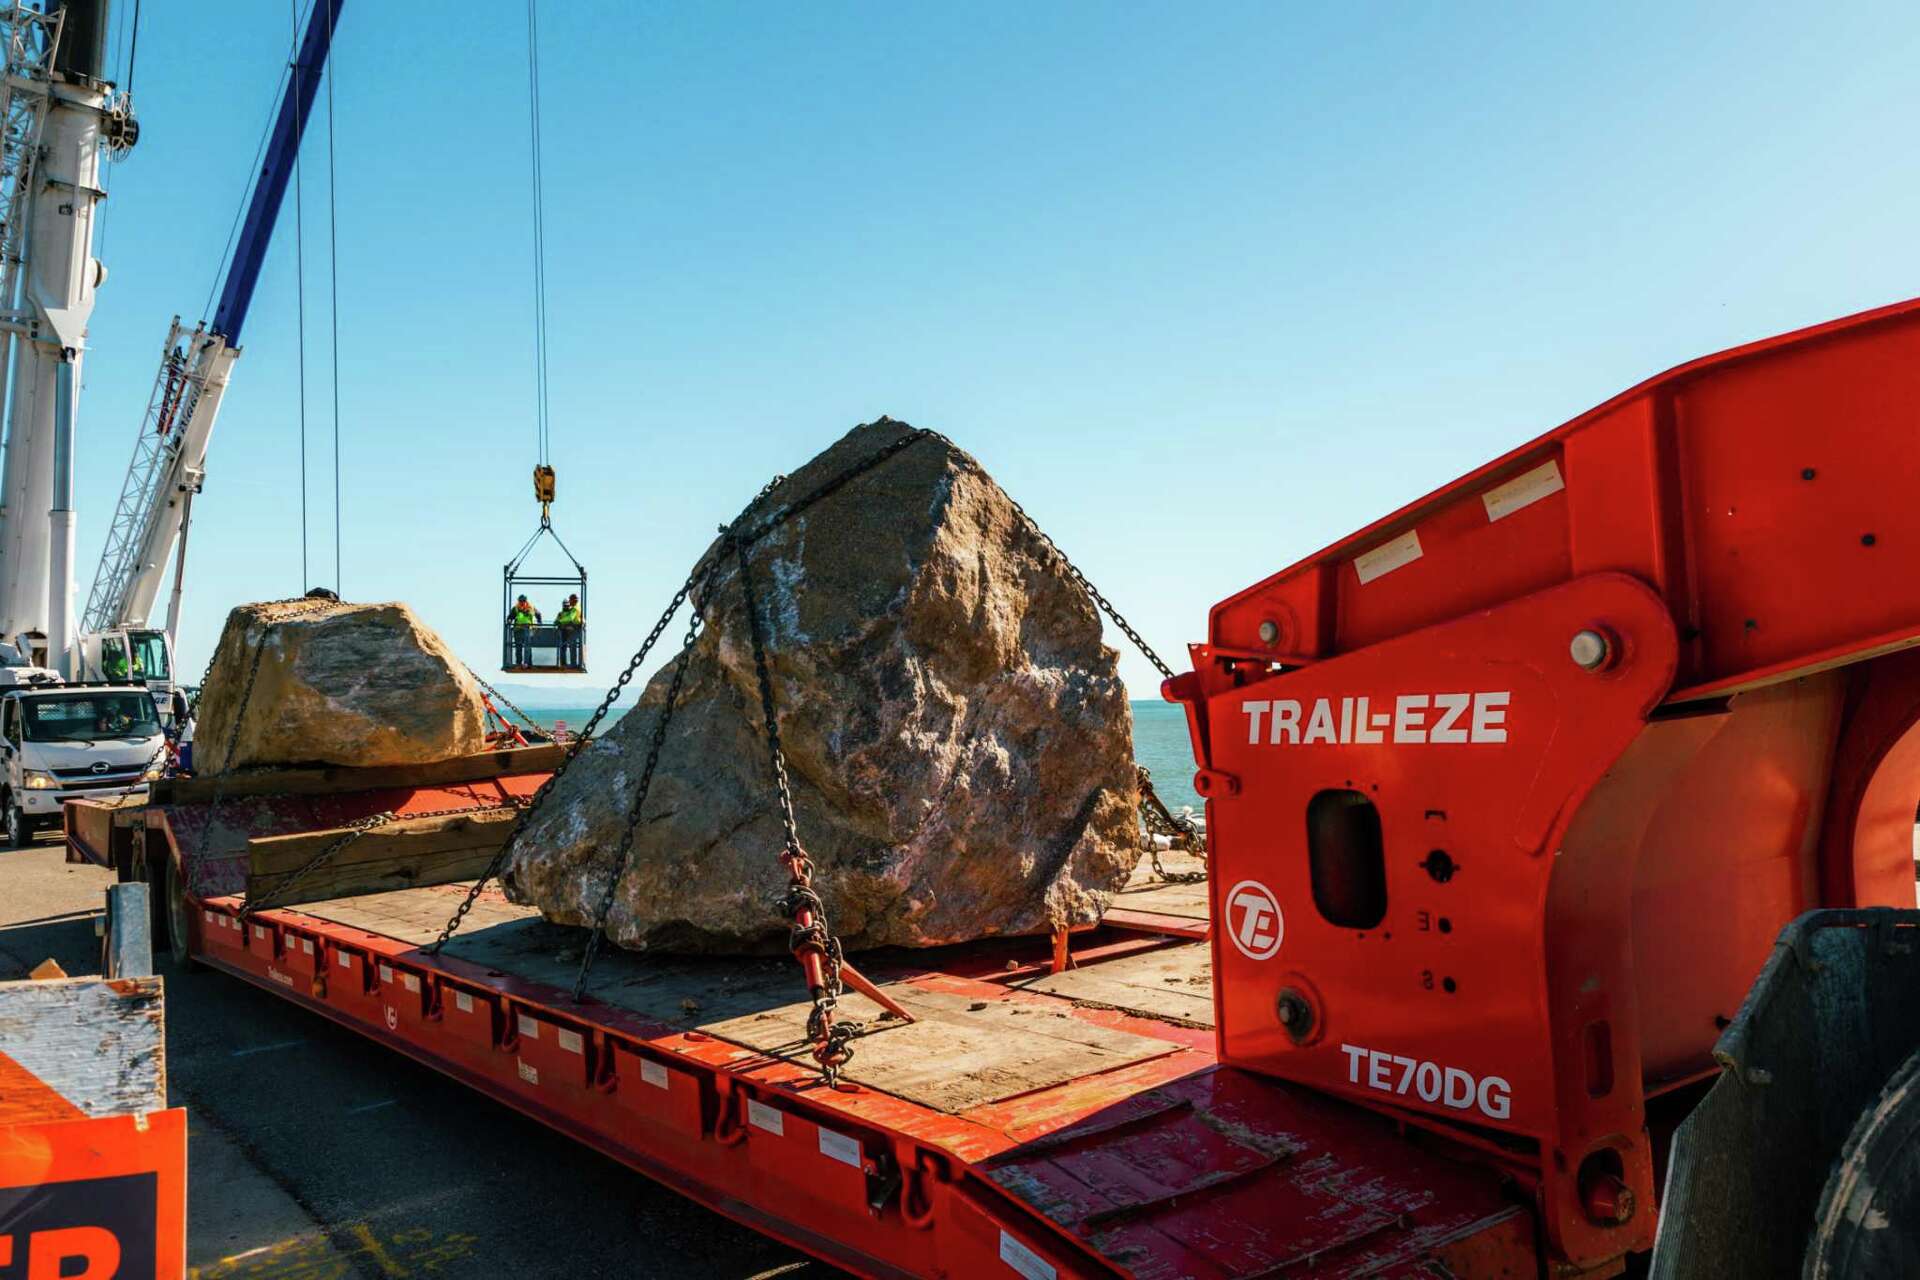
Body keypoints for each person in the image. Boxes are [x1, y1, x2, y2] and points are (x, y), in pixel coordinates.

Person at [507, 594, 540, 667]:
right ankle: (519, 663)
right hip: (518, 630)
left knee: (527, 647)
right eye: (520, 601)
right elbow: (510, 617)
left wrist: (539, 622)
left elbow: (538, 614)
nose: (522, 602)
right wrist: (509, 620)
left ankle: (528, 663)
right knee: (518, 647)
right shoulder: (515, 608)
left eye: (523, 601)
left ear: (526, 601)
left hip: (527, 629)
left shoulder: (531, 607)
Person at [555, 594, 584, 669]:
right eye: (565, 605)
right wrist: (558, 622)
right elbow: (557, 621)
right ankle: (571, 663)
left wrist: (560, 621)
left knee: (573, 645)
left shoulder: (574, 609)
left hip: (575, 628)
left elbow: (570, 618)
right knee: (570, 646)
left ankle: (574, 664)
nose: (567, 605)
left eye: (569, 602)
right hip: (567, 631)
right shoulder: (562, 613)